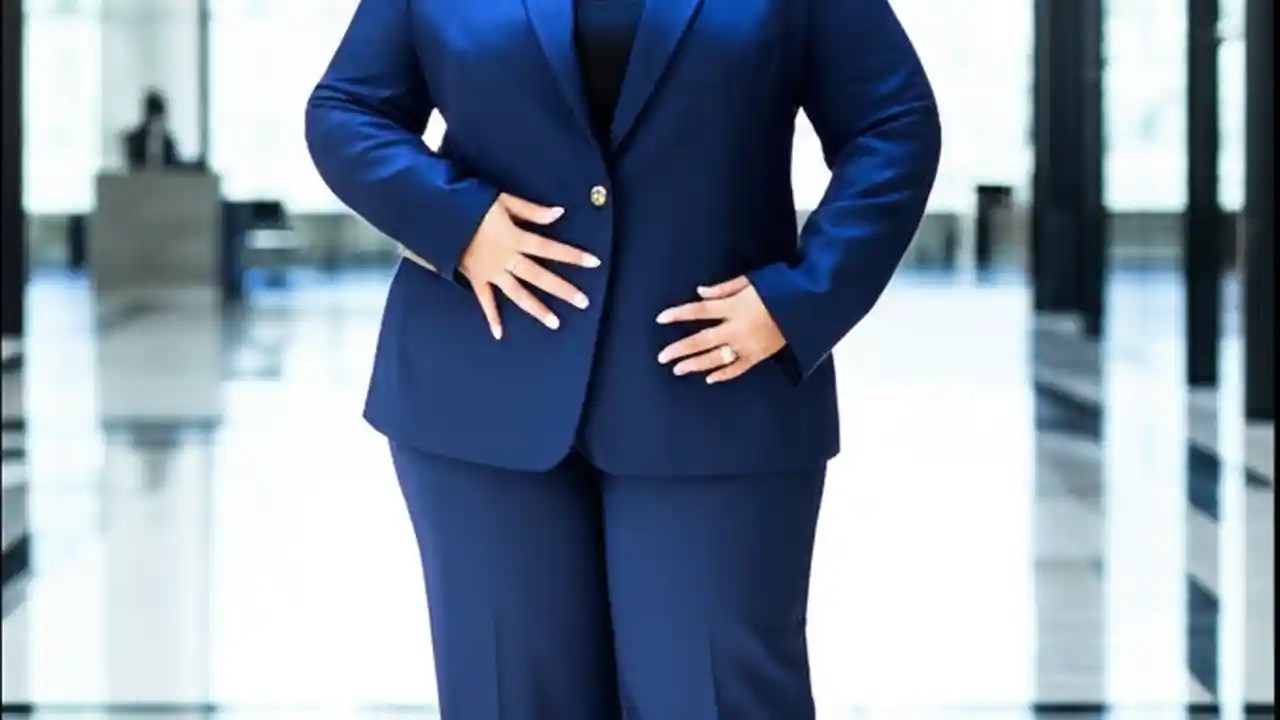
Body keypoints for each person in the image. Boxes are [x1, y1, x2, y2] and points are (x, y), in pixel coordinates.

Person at [306, 0, 940, 716]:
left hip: (715, 387)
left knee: (712, 697)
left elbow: (892, 125)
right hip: (482, 389)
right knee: (510, 696)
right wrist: (460, 222)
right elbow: (347, 109)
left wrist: (798, 300)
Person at [124, 90, 180, 170]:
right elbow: (133, 168)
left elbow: (174, 166)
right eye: (155, 117)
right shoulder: (134, 141)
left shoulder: (168, 142)